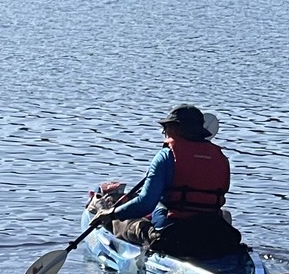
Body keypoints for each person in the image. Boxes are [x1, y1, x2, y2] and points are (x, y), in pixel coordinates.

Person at [94, 105, 243, 264]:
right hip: (214, 233)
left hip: (175, 234)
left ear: (176, 128)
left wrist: (112, 214)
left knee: (129, 223)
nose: (164, 133)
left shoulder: (165, 156)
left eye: (166, 128)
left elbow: (145, 204)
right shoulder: (221, 159)